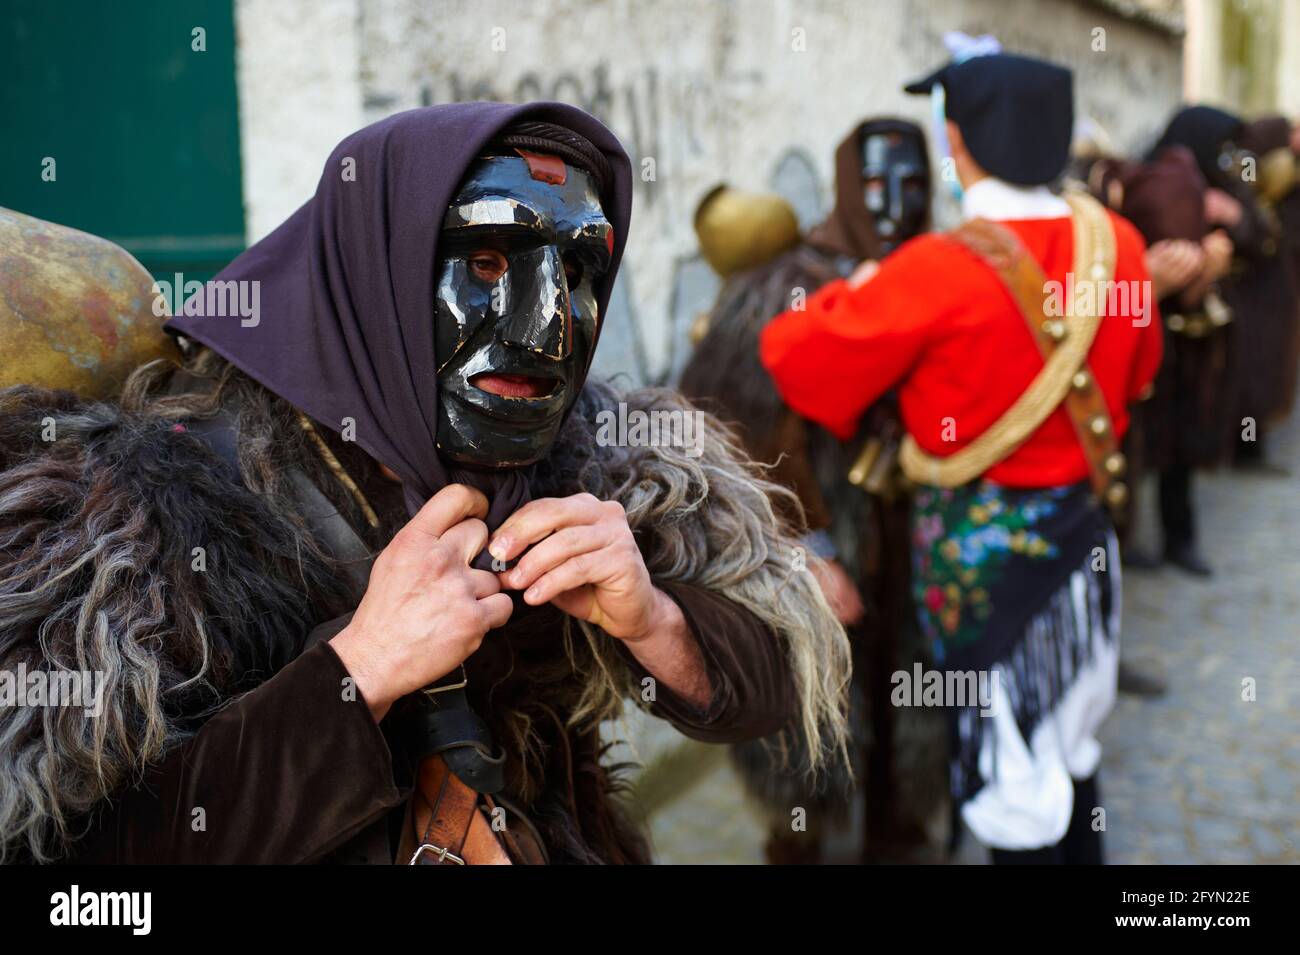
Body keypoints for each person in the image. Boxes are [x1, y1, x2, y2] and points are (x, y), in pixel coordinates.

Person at [0, 103, 850, 865]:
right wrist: (356, 672)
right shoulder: (140, 517)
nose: (549, 328)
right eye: (487, 261)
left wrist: (656, 620)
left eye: (579, 272)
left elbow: (770, 689)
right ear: (378, 268)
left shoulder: (601, 458)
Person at [760, 44, 1163, 864]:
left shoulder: (933, 268)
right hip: (1087, 559)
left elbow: (794, 357)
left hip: (986, 583)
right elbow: (1144, 374)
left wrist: (861, 287)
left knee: (1016, 799)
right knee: (1072, 762)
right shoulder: (1120, 243)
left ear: (958, 141)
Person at [681, 117, 946, 863]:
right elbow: (725, 434)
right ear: (843, 189)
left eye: (914, 184)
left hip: (914, 545)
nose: (895, 205)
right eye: (874, 186)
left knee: (913, 718)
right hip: (817, 551)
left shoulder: (937, 274)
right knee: (807, 741)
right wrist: (806, 549)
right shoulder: (787, 284)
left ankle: (899, 833)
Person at [1153, 107, 1299, 485]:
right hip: (1158, 328)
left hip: (1209, 322)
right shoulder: (1155, 186)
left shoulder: (1227, 180)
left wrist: (1234, 220)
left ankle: (1181, 531)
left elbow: (1260, 232)